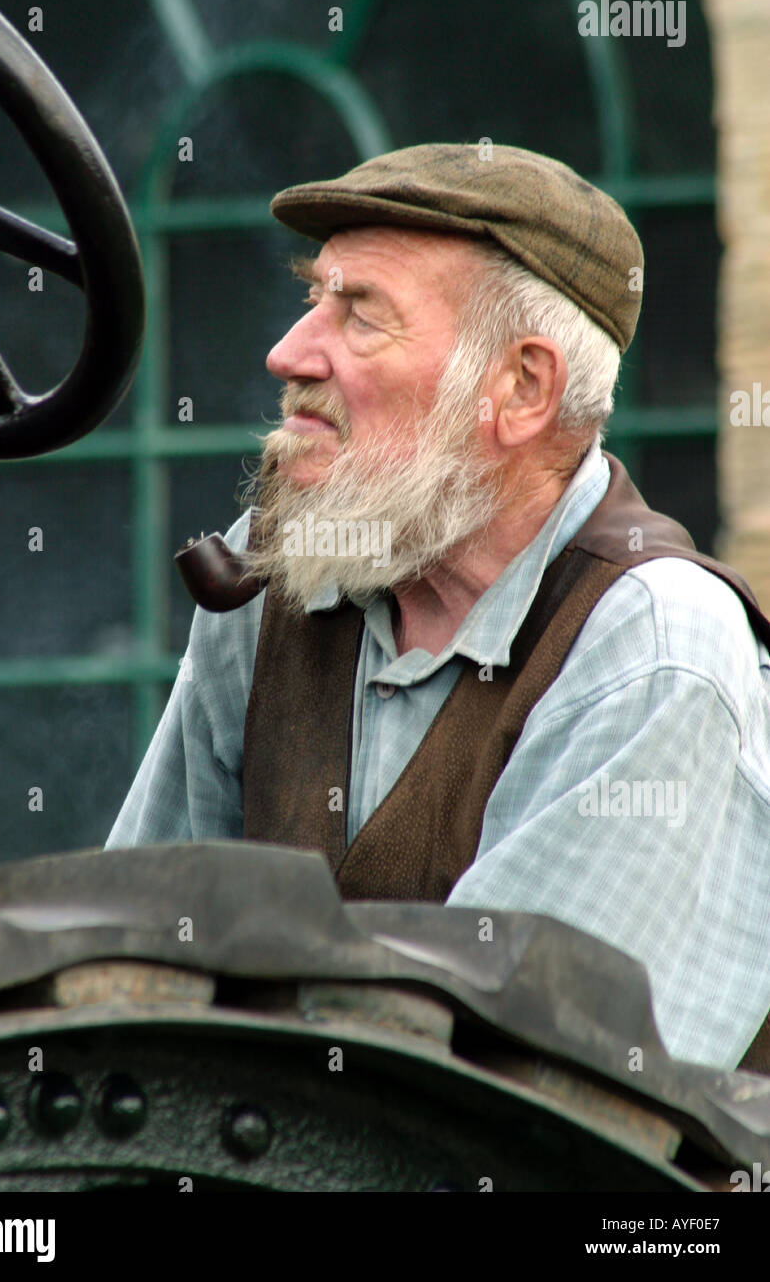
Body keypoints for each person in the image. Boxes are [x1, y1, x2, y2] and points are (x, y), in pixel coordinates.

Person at [106, 143, 770, 1072]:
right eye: (313, 298)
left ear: (521, 389)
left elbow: (512, 1103)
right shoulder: (280, 576)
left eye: (360, 315)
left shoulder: (656, 648)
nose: (289, 352)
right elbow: (132, 967)